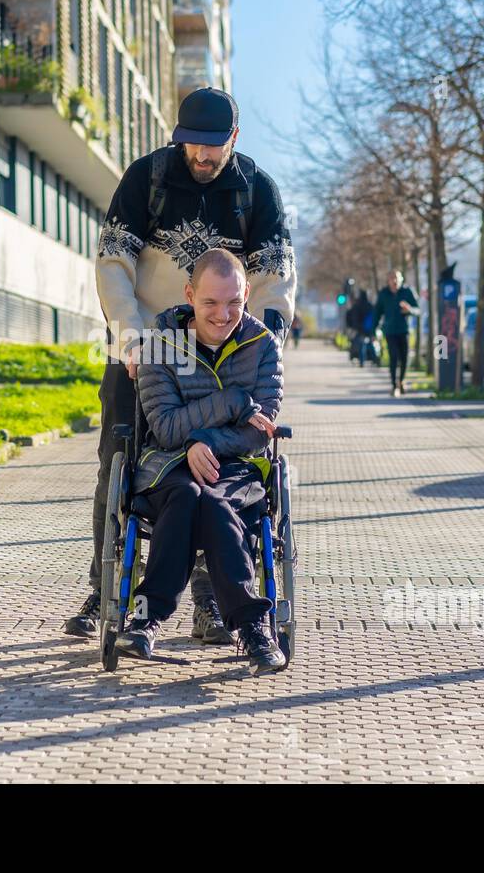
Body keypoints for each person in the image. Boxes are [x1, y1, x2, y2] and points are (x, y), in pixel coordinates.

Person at [64, 87, 297, 641]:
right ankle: (107, 589)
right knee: (117, 462)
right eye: (191, 143)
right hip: (151, 346)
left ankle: (210, 601)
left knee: (215, 471)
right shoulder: (146, 178)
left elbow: (273, 279)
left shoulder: (256, 191)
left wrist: (259, 343)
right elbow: (114, 264)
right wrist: (132, 339)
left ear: (233, 140)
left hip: (220, 353)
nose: (201, 155)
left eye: (213, 146)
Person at [120, 249, 287, 675]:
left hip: (238, 467)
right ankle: (146, 617)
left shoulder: (263, 346)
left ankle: (251, 628)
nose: (222, 314)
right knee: (186, 492)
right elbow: (165, 427)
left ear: (247, 293)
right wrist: (232, 402)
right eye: (210, 302)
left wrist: (204, 438)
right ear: (190, 294)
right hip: (168, 466)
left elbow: (259, 430)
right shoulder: (159, 345)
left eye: (234, 302)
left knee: (215, 499)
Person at [374, 270, 419, 396]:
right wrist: (374, 330)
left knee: (404, 358)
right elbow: (377, 312)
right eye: (392, 278)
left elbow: (418, 309)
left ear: (401, 279)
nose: (394, 281)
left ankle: (402, 381)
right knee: (393, 357)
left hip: (404, 330)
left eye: (397, 278)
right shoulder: (383, 294)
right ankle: (394, 385)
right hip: (389, 331)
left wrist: (409, 310)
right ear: (388, 281)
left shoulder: (407, 292)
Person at [346, 290, 374, 366]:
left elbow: (352, 317)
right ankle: (375, 359)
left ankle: (362, 361)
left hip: (359, 329)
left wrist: (354, 327)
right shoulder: (370, 305)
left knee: (362, 345)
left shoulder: (356, 306)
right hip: (368, 329)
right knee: (370, 344)